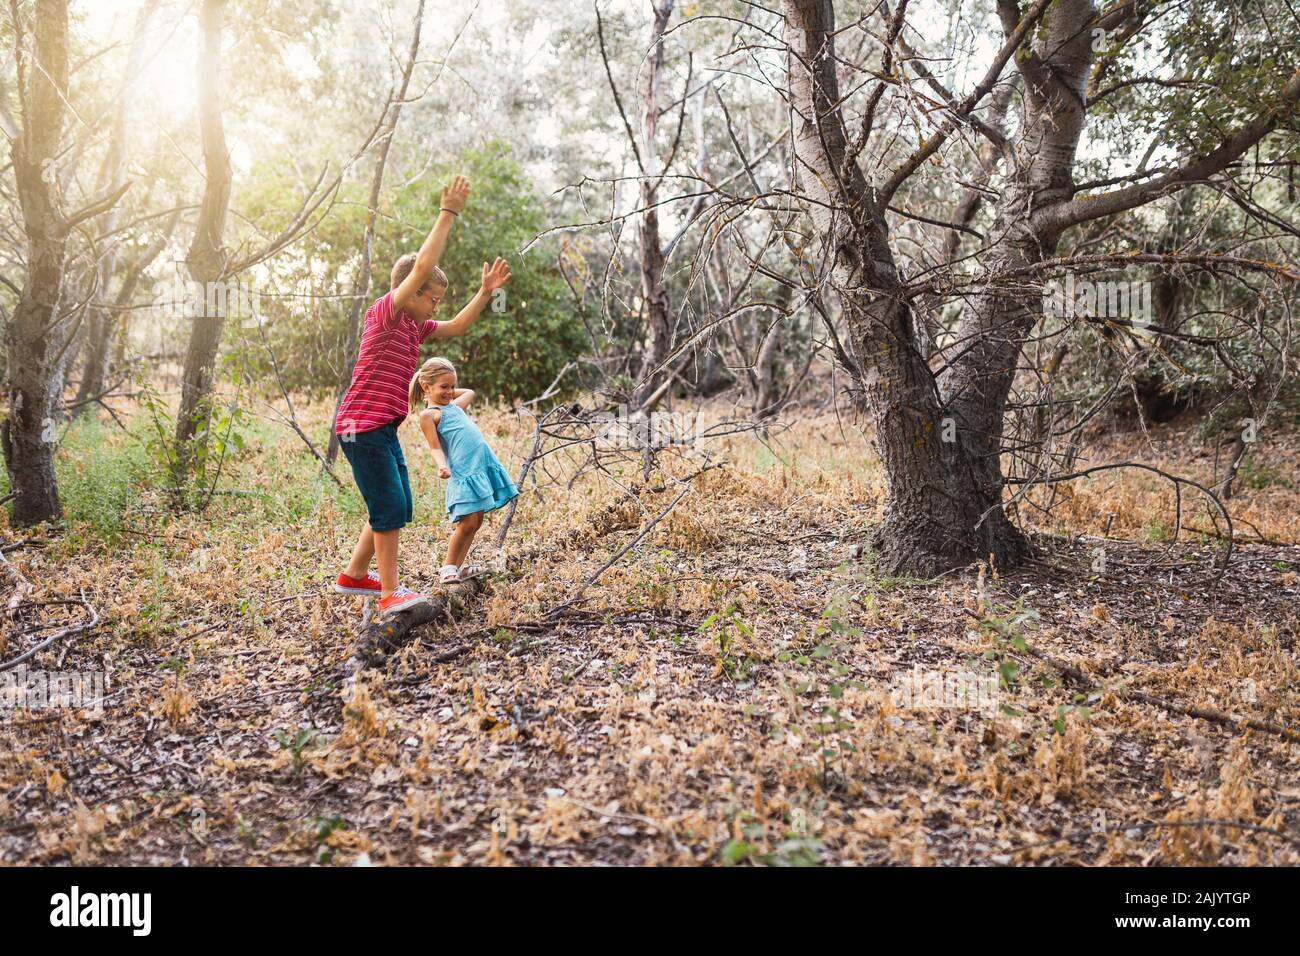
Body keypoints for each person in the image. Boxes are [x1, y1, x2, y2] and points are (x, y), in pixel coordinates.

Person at [332, 173, 512, 617]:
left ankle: (355, 575)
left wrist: (485, 294)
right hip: (361, 425)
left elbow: (457, 327)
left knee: (396, 502)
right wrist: (447, 213)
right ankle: (392, 593)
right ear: (411, 292)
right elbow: (420, 267)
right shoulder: (388, 314)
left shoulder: (416, 327)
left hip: (382, 427)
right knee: (389, 505)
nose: (435, 306)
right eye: (431, 298)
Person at [409, 355, 519, 583]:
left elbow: (469, 392)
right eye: (444, 387)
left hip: (481, 466)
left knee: (476, 522)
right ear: (426, 386)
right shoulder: (430, 415)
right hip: (464, 472)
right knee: (467, 522)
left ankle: (456, 569)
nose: (450, 392)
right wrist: (441, 466)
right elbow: (434, 447)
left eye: (452, 386)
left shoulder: (454, 406)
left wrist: (445, 392)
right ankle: (448, 566)